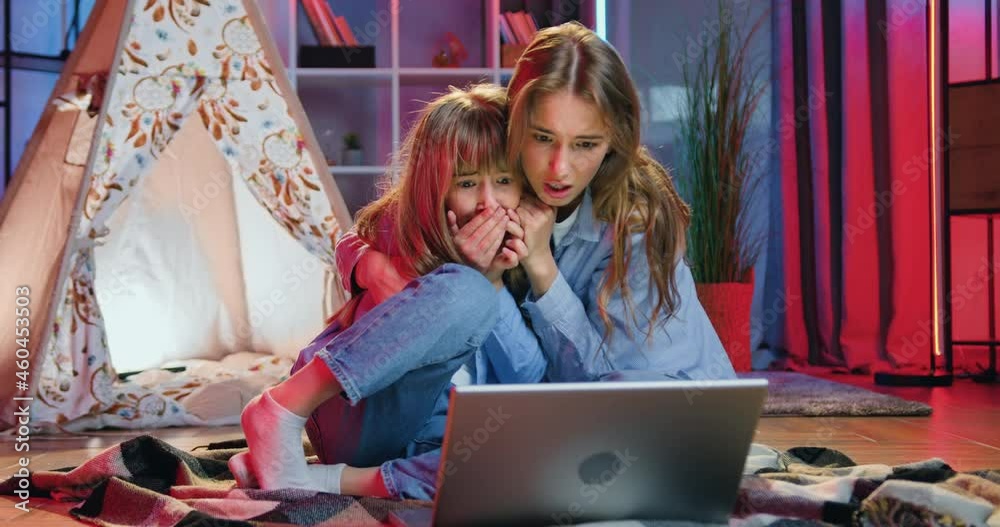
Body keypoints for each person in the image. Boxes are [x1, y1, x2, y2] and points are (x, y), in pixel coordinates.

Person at [229, 83, 528, 498]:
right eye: (466, 183)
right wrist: (376, 266)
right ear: (435, 184)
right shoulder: (406, 228)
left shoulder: (524, 249)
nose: (487, 203)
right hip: (352, 414)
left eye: (504, 180)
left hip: (425, 440)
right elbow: (355, 244)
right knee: (469, 292)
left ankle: (304, 476)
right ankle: (281, 407)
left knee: (517, 461)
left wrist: (495, 282)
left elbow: (527, 377)